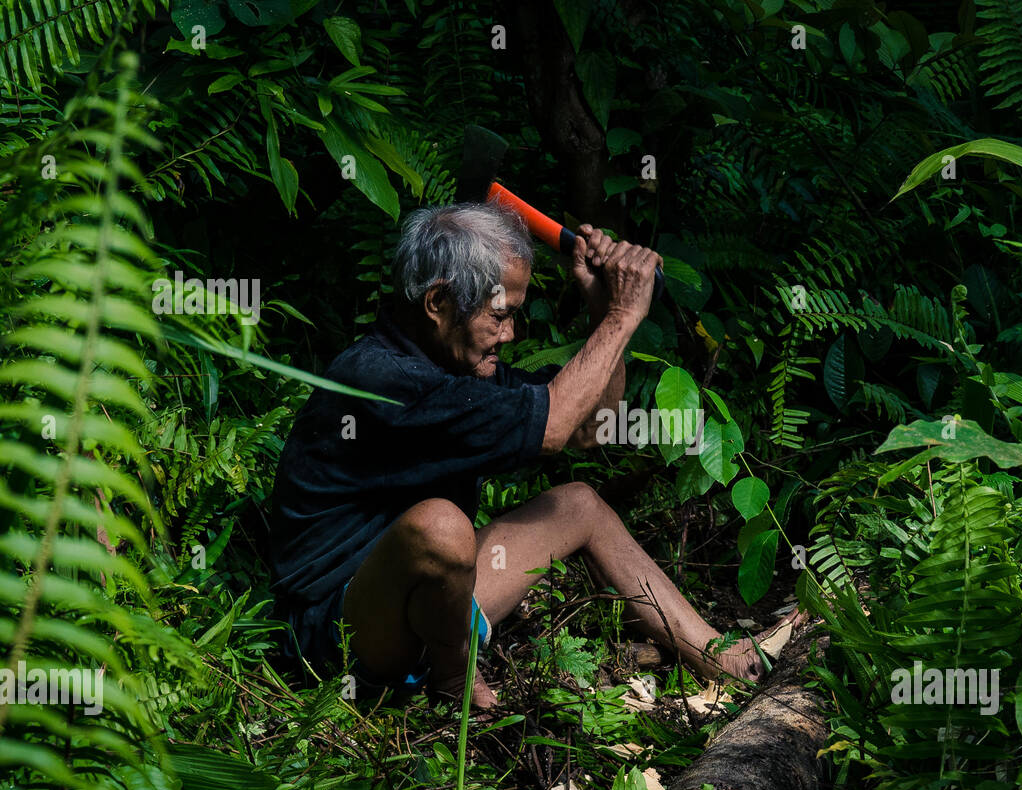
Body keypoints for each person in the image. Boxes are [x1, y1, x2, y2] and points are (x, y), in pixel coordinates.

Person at [268, 202, 764, 708]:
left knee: (578, 505)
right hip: (340, 631)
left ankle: (720, 655)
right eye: (499, 315)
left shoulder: (455, 365)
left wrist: (602, 314)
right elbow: (551, 427)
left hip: (427, 605)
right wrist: (622, 314)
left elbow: (590, 428)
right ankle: (452, 682)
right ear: (438, 302)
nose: (510, 335)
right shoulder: (382, 379)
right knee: (440, 527)